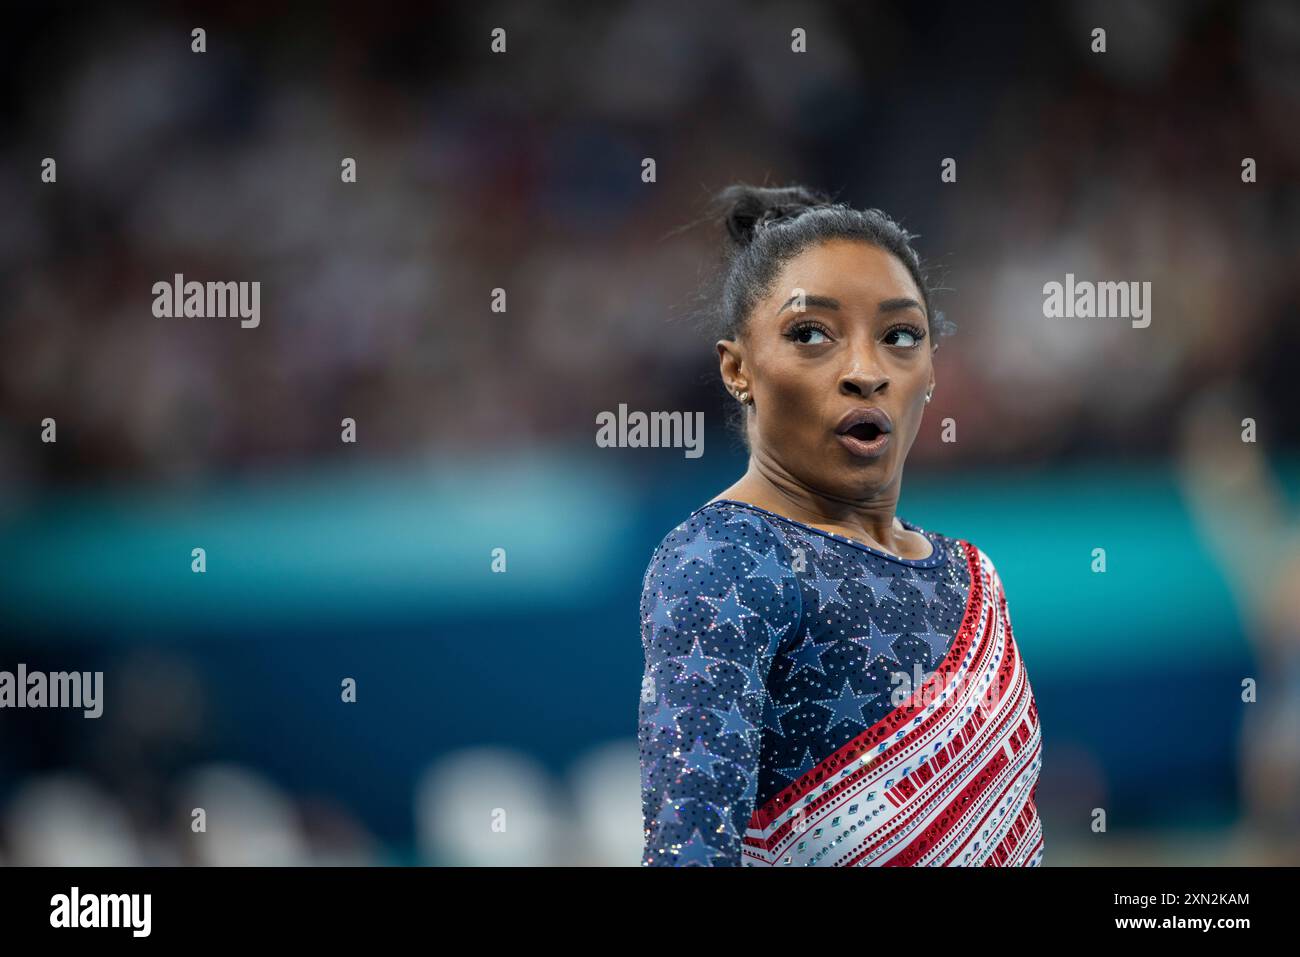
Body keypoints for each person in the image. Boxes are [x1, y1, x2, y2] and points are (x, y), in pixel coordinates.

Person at [637, 183, 1043, 866]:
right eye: (811, 335)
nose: (865, 371)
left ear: (932, 370)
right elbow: (689, 853)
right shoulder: (725, 558)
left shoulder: (973, 573)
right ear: (738, 368)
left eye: (901, 335)